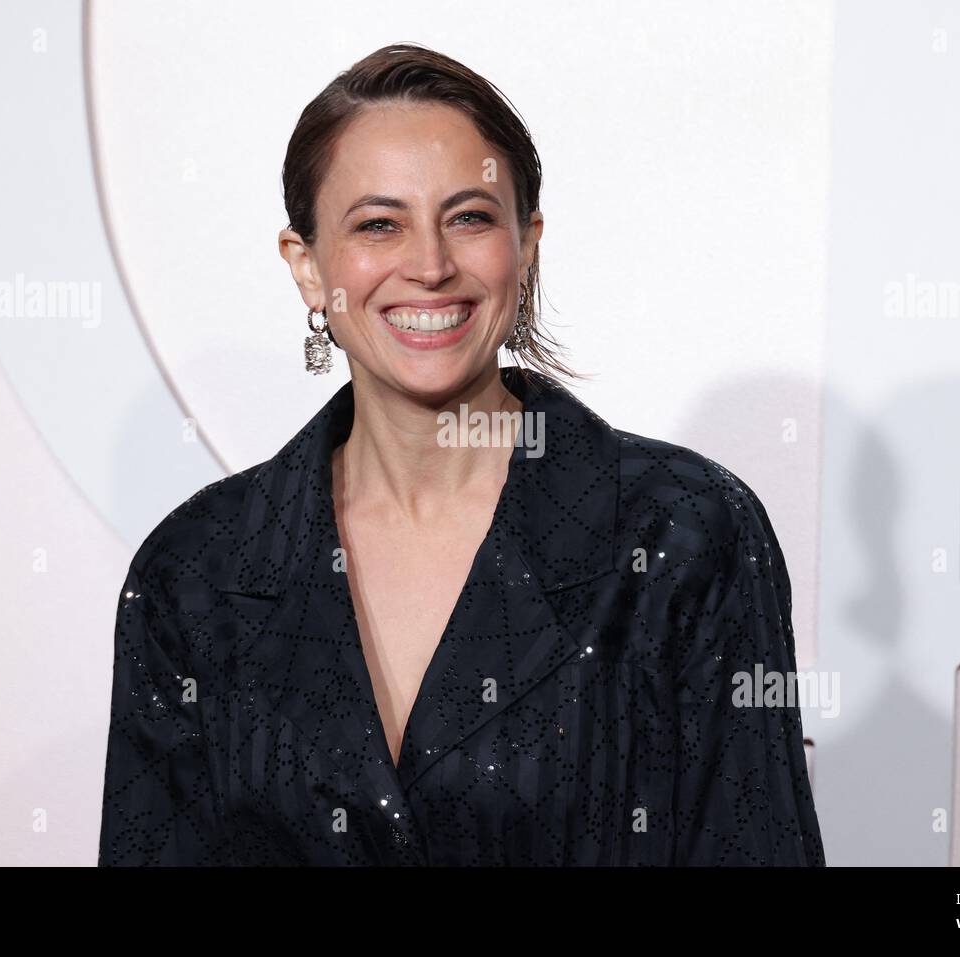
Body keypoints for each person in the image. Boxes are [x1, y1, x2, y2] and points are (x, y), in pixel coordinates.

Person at [97, 42, 825, 866]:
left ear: (526, 244)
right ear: (307, 268)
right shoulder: (195, 573)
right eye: (379, 224)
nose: (431, 266)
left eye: (469, 217)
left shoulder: (683, 534)